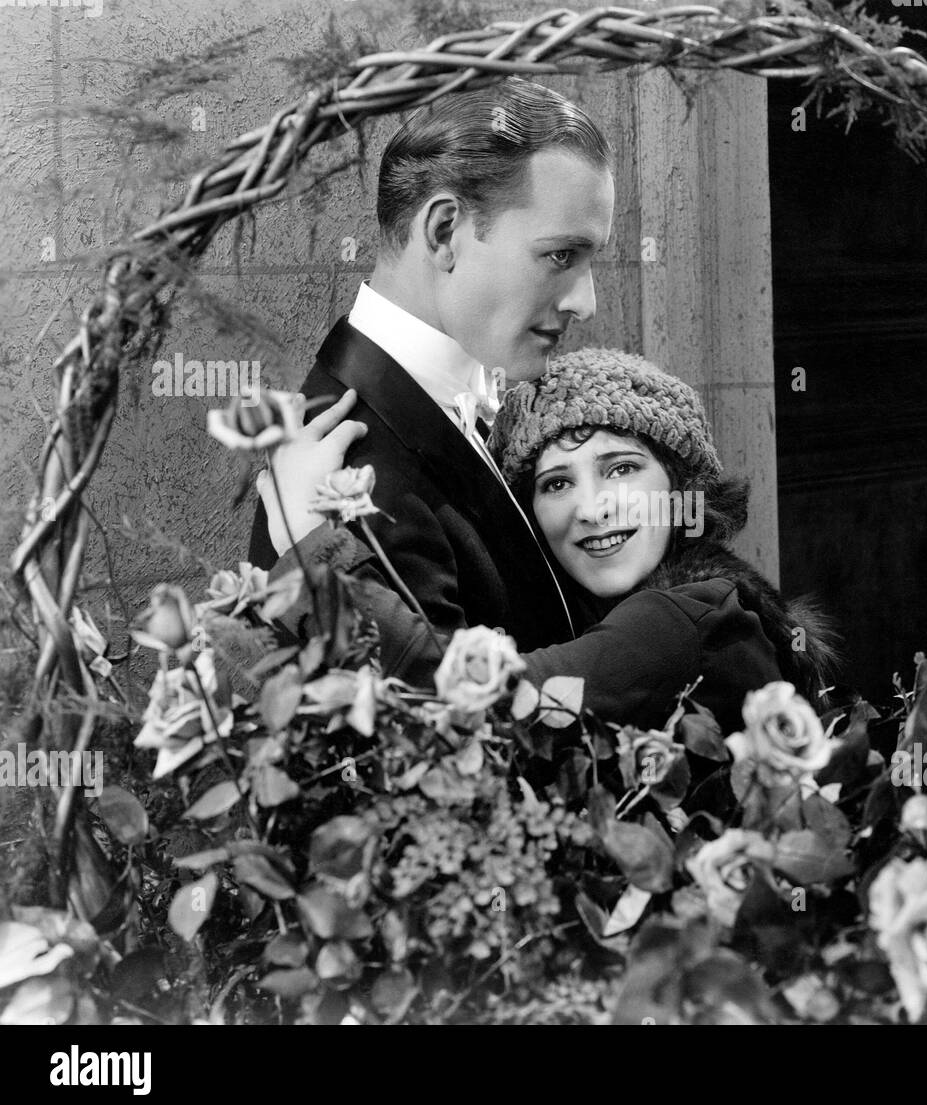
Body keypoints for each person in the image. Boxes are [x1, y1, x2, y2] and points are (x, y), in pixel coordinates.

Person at [260, 349, 839, 733]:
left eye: (622, 469)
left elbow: (465, 702)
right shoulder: (611, 613)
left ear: (681, 487)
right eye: (557, 483)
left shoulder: (685, 619)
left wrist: (313, 548)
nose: (591, 509)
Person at [249, 77, 616, 651]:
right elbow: (447, 722)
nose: (584, 303)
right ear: (445, 232)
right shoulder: (347, 476)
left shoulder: (464, 391)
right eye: (560, 255)